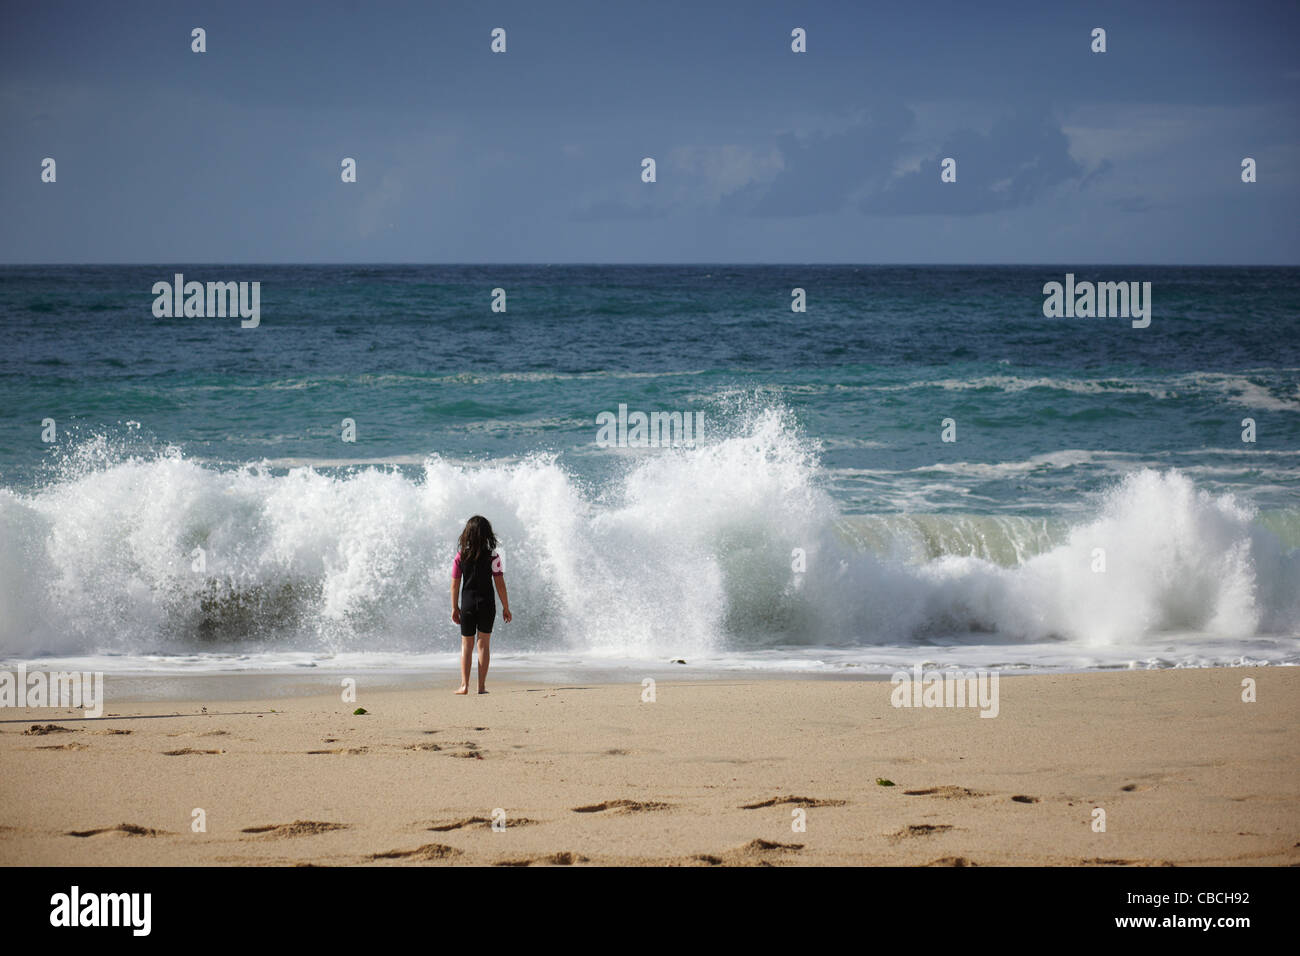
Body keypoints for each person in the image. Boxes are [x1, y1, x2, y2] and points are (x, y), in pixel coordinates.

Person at [450, 515, 511, 695]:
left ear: (467, 534)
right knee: (483, 645)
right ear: (487, 534)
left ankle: (464, 686)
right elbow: (500, 583)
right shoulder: (493, 556)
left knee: (466, 645)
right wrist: (506, 607)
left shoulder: (461, 556)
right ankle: (482, 686)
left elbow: (455, 584)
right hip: (487, 604)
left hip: (467, 604)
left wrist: (454, 607)